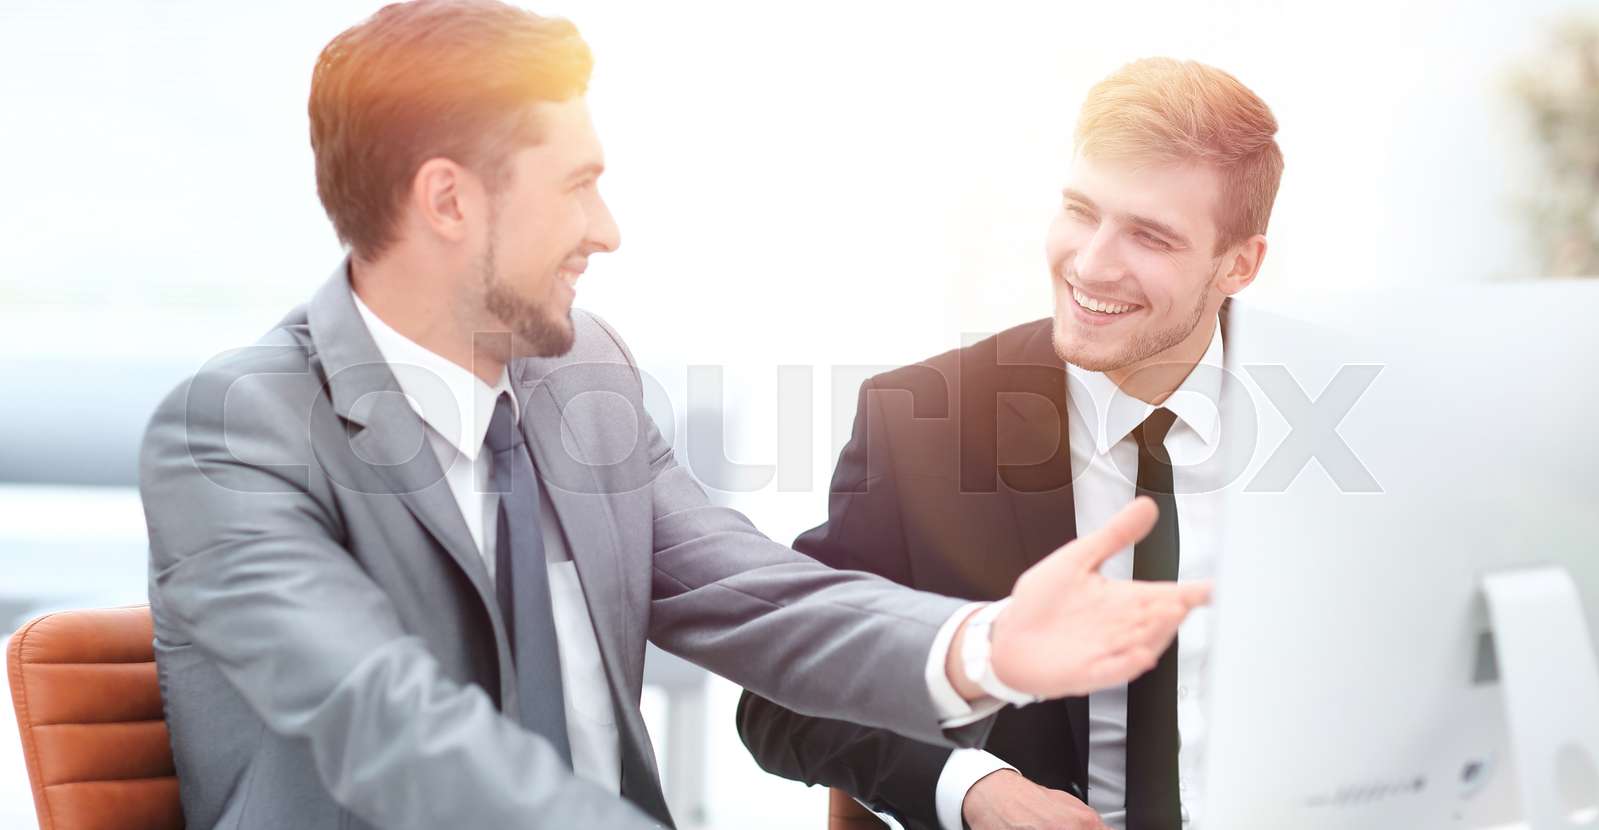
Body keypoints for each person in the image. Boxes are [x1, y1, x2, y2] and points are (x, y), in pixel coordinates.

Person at [136, 5, 1210, 829]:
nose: (606, 229)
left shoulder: (579, 377)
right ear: (449, 201)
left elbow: (756, 595)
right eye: (577, 185)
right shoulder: (234, 434)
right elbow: (386, 721)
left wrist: (985, 645)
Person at [737, 57, 1280, 830]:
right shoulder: (922, 422)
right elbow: (784, 695)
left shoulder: (1344, 411)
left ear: (1239, 264)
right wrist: (971, 786)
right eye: (1081, 210)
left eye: (1149, 236)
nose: (1091, 263)